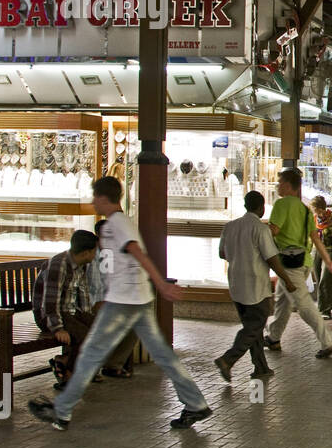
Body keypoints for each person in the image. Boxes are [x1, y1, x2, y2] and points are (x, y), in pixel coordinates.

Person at [28, 176, 211, 431]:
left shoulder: (117, 223)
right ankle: (196, 404)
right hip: (137, 300)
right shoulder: (115, 225)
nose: (93, 203)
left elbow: (137, 252)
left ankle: (61, 411)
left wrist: (161, 284)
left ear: (104, 198)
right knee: (162, 355)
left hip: (122, 302)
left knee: (91, 354)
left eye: (95, 198)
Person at [214, 191, 295, 382]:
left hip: (235, 284)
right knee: (254, 327)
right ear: (261, 207)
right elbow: (272, 258)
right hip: (256, 286)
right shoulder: (260, 229)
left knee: (253, 328)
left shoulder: (230, 226)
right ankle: (227, 360)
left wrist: (239, 256)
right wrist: (287, 280)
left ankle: (261, 367)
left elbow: (222, 253)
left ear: (245, 205)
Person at [265, 168, 332, 359]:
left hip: (289, 264)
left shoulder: (281, 205)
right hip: (303, 261)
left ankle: (328, 341)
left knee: (303, 304)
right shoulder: (304, 210)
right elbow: (315, 238)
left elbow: (273, 230)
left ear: (288, 185)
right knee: (283, 300)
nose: (277, 186)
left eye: (280, 182)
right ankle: (273, 337)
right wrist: (328, 261)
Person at [34, 230, 114, 390]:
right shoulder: (59, 265)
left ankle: (64, 361)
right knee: (84, 336)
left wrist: (88, 318)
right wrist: (58, 329)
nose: (96, 255)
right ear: (86, 252)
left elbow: (83, 295)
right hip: (50, 315)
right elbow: (50, 302)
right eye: (94, 251)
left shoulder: (81, 265)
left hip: (70, 312)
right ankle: (68, 377)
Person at [310, 195, 332, 319]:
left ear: (320, 208)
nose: (312, 210)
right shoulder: (313, 219)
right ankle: (321, 307)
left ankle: (326, 309)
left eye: (313, 208)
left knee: (325, 279)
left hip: (330, 250)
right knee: (318, 278)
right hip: (316, 251)